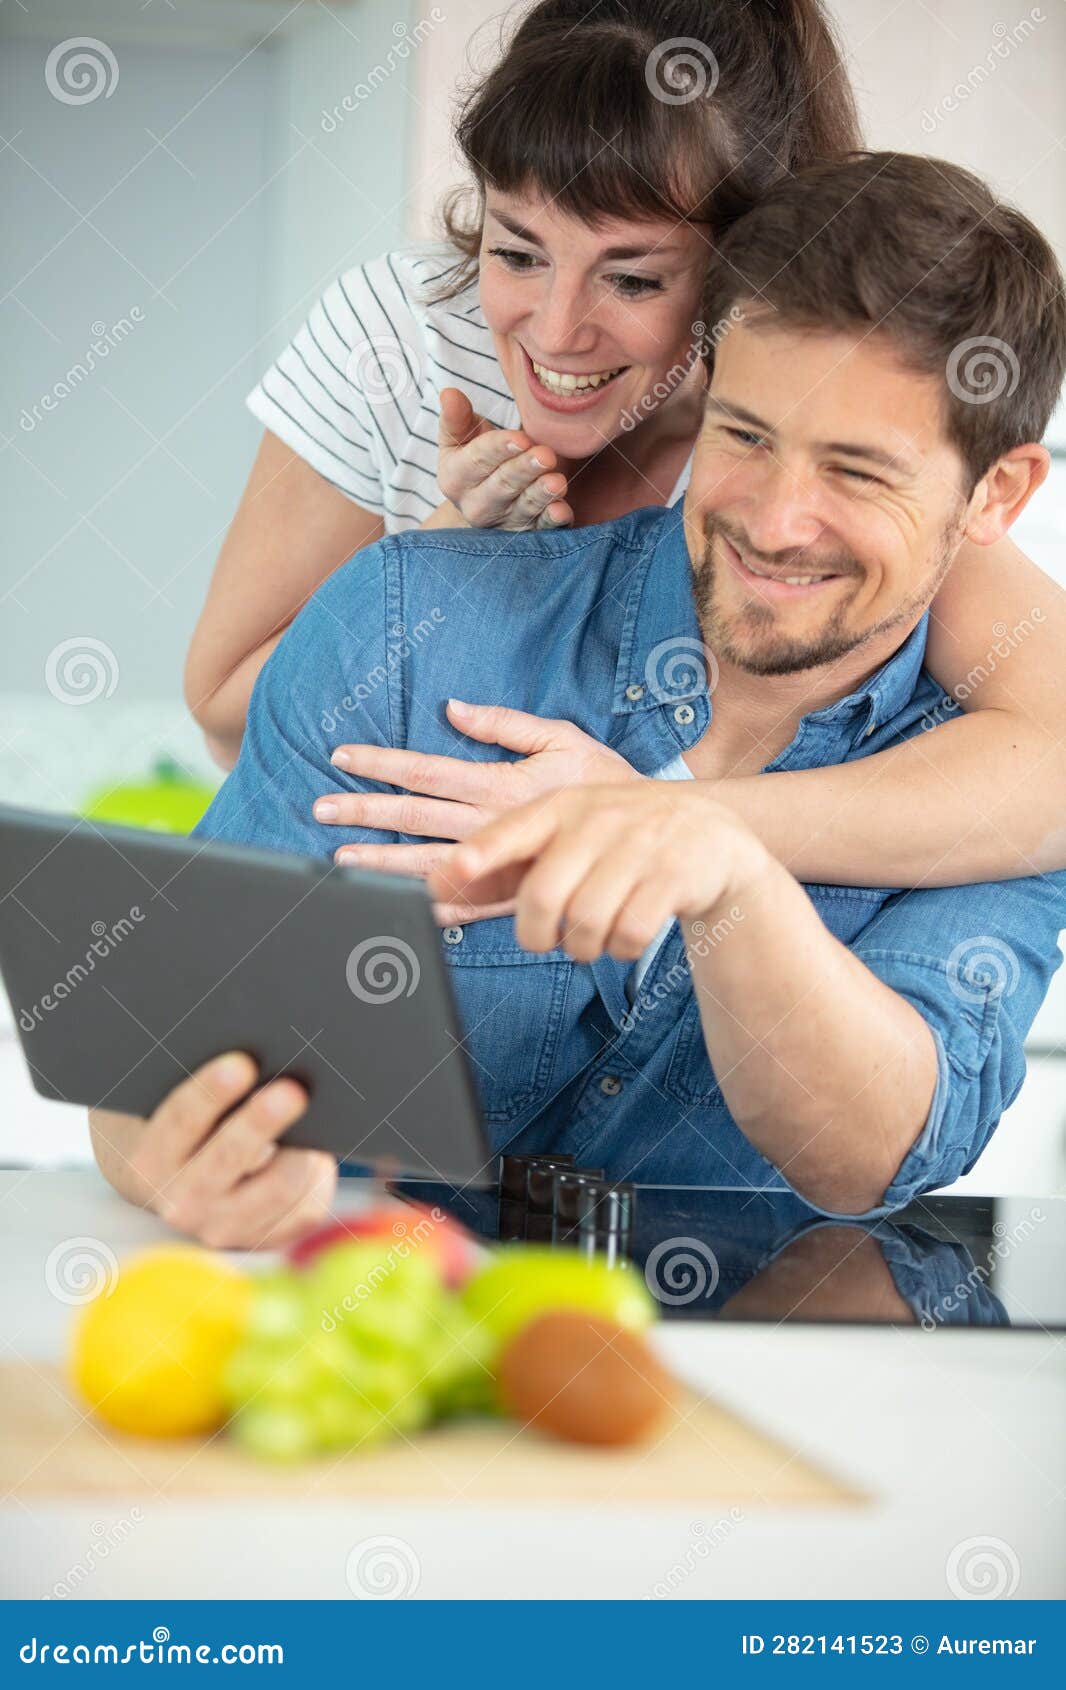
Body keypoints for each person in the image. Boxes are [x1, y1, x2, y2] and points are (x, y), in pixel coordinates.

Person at [89, 152, 1066, 1245]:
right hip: (355, 1321)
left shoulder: (993, 787)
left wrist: (726, 869)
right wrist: (177, 1156)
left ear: (997, 493)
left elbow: (871, 1150)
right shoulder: (406, 623)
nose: (775, 521)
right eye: (745, 436)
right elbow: (150, 1065)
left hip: (731, 1356)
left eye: (857, 470)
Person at [186, 0, 1066, 900]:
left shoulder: (794, 449)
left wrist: (653, 817)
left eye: (634, 278)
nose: (556, 332)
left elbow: (1057, 759)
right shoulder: (404, 341)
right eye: (517, 253)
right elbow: (223, 717)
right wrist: (451, 552)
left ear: (749, 268)